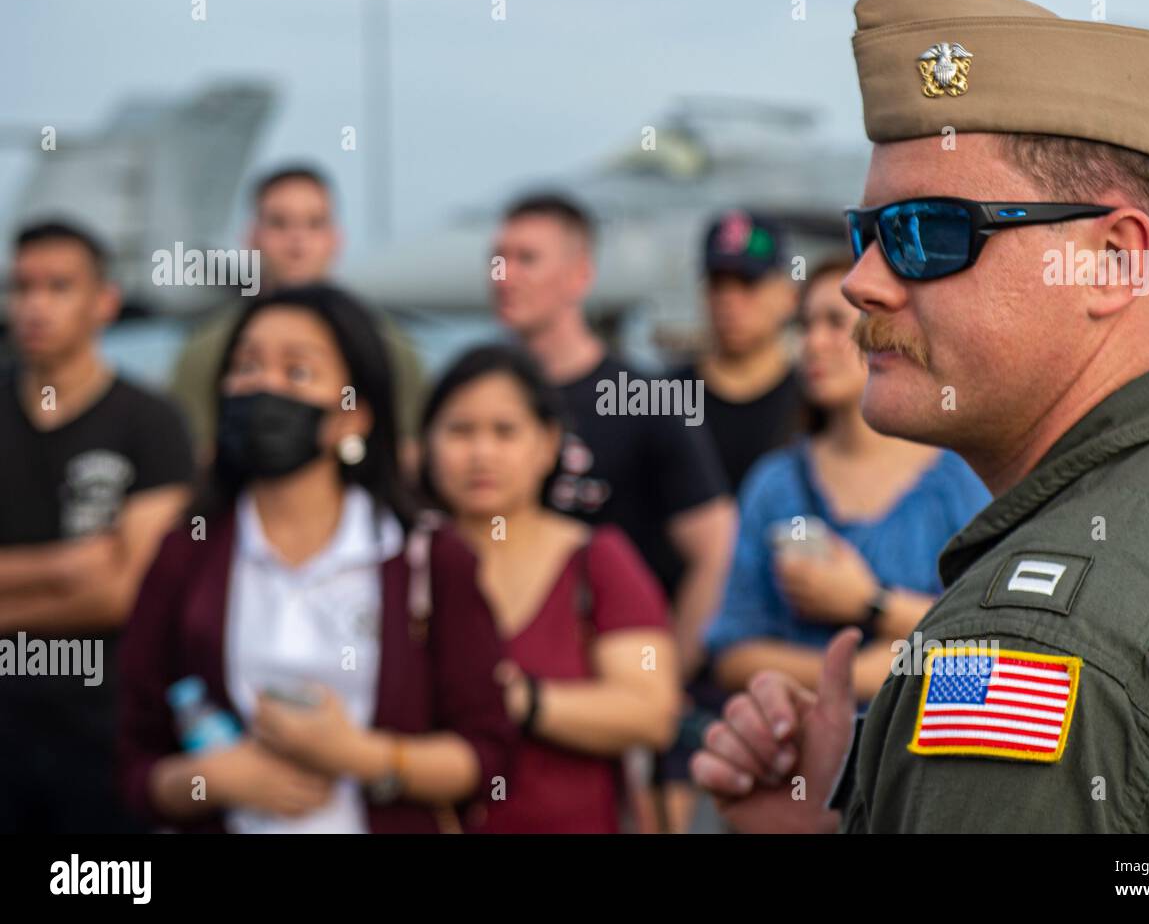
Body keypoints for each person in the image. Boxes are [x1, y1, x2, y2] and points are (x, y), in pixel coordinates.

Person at [693, 0, 1149, 833]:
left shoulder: (1018, 651)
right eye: (866, 234)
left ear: (1113, 262)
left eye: (930, 233)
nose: (863, 282)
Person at [118, 285, 514, 833]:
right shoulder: (188, 552)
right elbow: (135, 760)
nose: (264, 387)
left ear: (354, 415)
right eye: (247, 366)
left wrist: (363, 756)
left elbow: (486, 756)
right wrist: (210, 780)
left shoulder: (428, 557)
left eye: (297, 371)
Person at [490, 192, 735, 831]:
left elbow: (715, 547)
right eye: (497, 258)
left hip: (617, 704)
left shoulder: (642, 398)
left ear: (580, 275)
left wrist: (664, 677)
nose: (504, 276)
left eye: (526, 258)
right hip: (503, 701)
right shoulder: (479, 407)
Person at [421, 344, 680, 832]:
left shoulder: (596, 559)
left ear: (547, 444)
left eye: (505, 431)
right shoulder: (402, 561)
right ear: (426, 444)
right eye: (460, 430)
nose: (481, 453)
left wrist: (522, 700)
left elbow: (652, 711)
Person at [705, 258, 989, 700]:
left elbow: (994, 644)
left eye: (836, 322)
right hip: (802, 758)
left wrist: (868, 601)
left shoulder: (962, 479)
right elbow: (732, 654)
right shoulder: (775, 483)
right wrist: (852, 674)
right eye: (805, 325)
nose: (813, 343)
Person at [0, 220, 193, 833]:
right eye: (22, 286)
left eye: (59, 287)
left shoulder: (151, 423)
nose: (35, 305)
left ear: (104, 301)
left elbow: (128, 589)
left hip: (105, 735)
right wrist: (77, 566)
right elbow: (102, 579)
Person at [169, 165, 428, 469]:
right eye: (279, 224)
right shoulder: (205, 351)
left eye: (314, 224)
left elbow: (411, 458)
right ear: (252, 237)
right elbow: (191, 462)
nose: (297, 242)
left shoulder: (388, 349)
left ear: (336, 238)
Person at [673, 211, 803, 493]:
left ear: (789, 296)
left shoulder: (813, 400)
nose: (729, 301)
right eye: (718, 285)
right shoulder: (667, 401)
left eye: (748, 283)